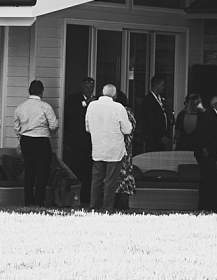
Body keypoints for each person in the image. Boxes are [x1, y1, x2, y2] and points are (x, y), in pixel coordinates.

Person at [85, 84, 134, 212]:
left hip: (98, 147)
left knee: (96, 179)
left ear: (102, 92)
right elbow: (127, 129)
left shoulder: (92, 106)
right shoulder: (118, 107)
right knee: (110, 180)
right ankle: (107, 207)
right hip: (114, 149)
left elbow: (88, 127)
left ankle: (93, 206)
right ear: (115, 95)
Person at [13, 79, 59, 210]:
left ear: (29, 91)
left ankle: (28, 201)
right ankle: (39, 201)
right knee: (42, 172)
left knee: (29, 171)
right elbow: (54, 125)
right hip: (41, 140)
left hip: (26, 140)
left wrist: (21, 138)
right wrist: (53, 131)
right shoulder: (45, 107)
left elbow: (17, 127)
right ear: (41, 92)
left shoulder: (20, 107)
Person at [64, 77, 96, 207]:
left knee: (89, 171)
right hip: (76, 142)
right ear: (82, 87)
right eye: (87, 87)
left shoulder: (97, 101)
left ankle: (87, 197)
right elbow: (70, 113)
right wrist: (86, 102)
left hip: (90, 142)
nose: (89, 90)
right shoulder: (73, 99)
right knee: (77, 169)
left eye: (91, 87)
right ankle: (75, 197)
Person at [136, 75, 172, 155]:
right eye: (162, 85)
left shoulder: (160, 99)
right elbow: (150, 120)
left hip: (160, 137)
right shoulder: (148, 100)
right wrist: (160, 136)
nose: (164, 87)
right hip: (153, 138)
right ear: (156, 85)